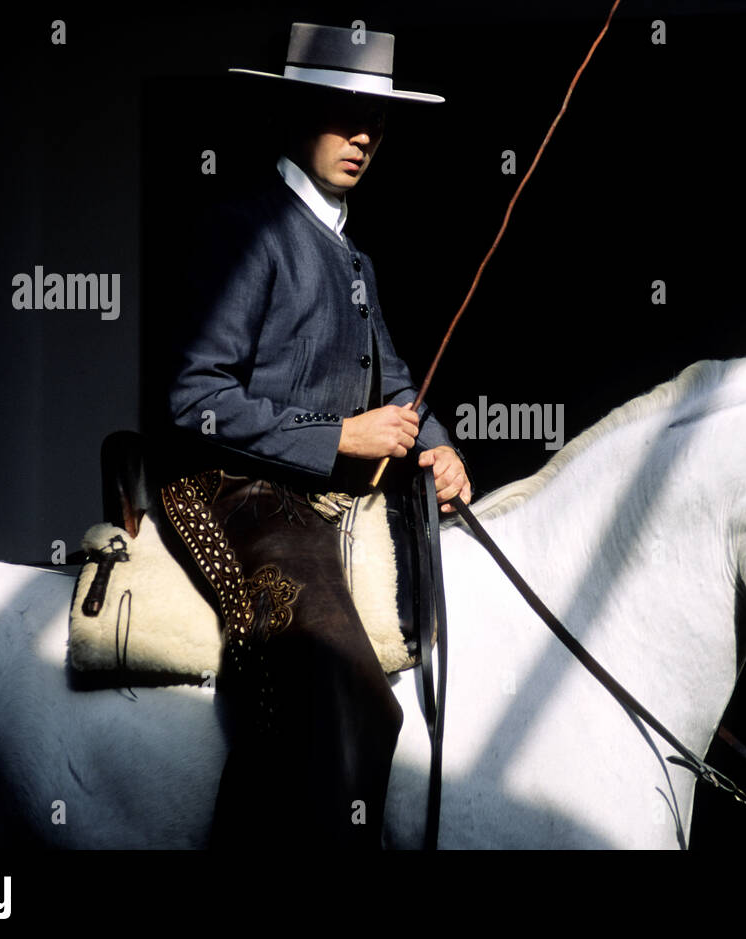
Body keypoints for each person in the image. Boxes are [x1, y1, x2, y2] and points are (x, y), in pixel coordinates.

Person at [158, 21, 469, 850]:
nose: (364, 135)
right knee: (343, 683)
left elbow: (399, 383)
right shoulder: (245, 229)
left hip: (315, 495)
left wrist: (435, 442)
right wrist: (340, 436)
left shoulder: (355, 257)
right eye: (342, 112)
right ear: (295, 113)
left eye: (377, 120)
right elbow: (195, 397)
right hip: (230, 488)